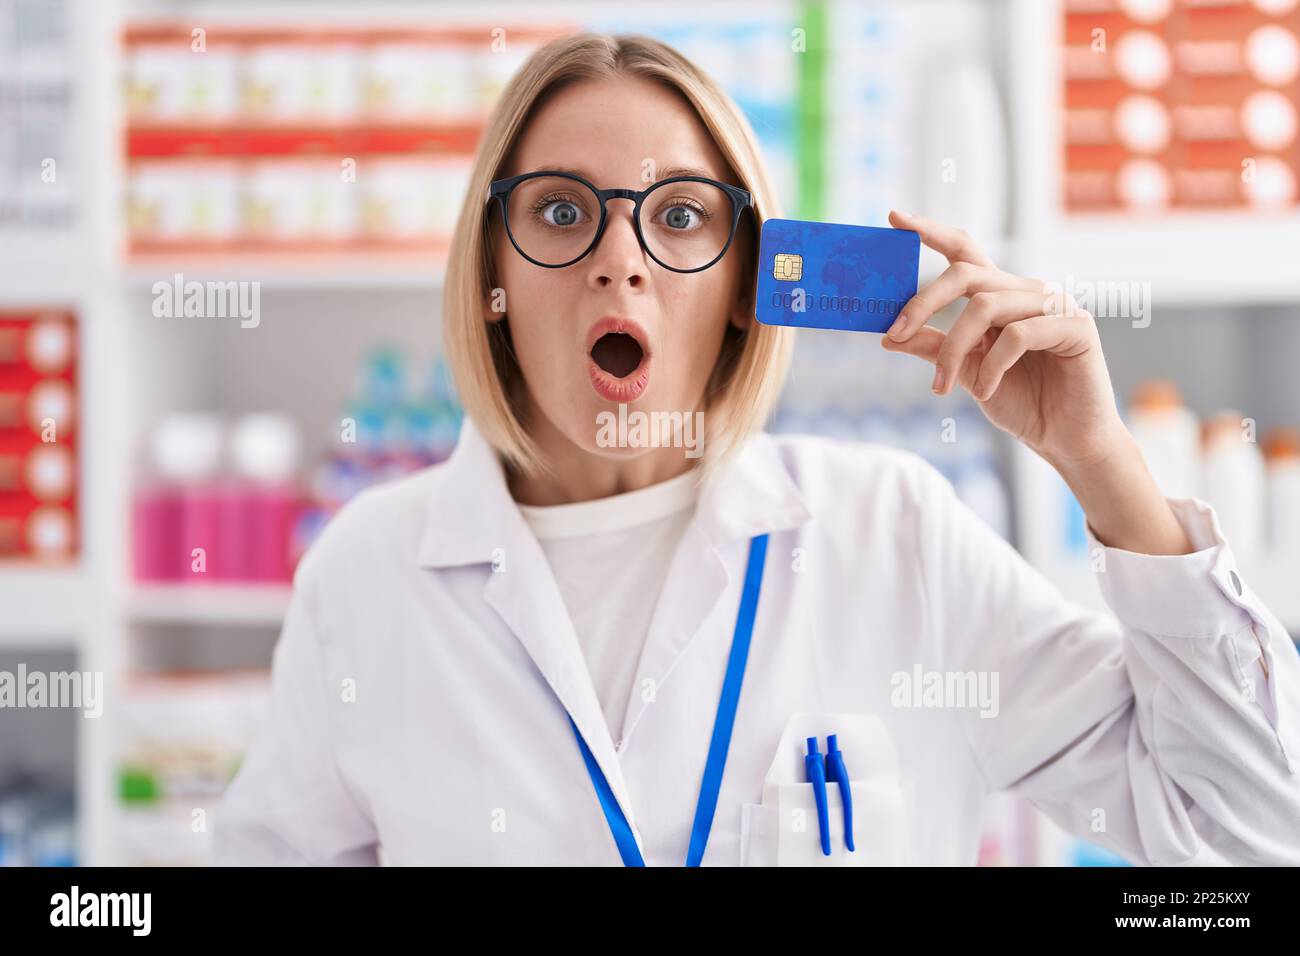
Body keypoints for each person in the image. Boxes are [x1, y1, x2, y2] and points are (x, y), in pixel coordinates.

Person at [214, 32, 1300, 866]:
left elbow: (1247, 830)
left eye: (679, 217)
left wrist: (1100, 461)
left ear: (745, 288)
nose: (619, 262)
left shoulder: (894, 534)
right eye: (558, 213)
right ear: (491, 280)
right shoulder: (366, 577)